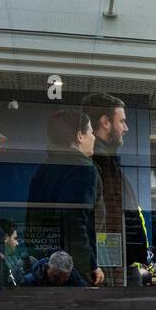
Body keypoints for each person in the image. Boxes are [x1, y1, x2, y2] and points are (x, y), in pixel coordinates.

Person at [82, 93, 154, 287]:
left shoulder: (109, 162)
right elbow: (103, 222)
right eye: (122, 121)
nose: (126, 128)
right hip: (113, 271)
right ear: (105, 122)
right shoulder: (101, 163)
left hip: (119, 267)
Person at [26, 109, 105, 286]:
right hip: (71, 270)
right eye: (91, 132)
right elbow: (75, 222)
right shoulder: (83, 169)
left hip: (44, 267)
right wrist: (90, 264)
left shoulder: (43, 170)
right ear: (79, 136)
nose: (94, 137)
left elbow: (31, 223)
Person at [23, 250, 89, 287]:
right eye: (55, 277)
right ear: (47, 267)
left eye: (65, 279)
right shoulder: (30, 281)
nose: (60, 282)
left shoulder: (75, 279)